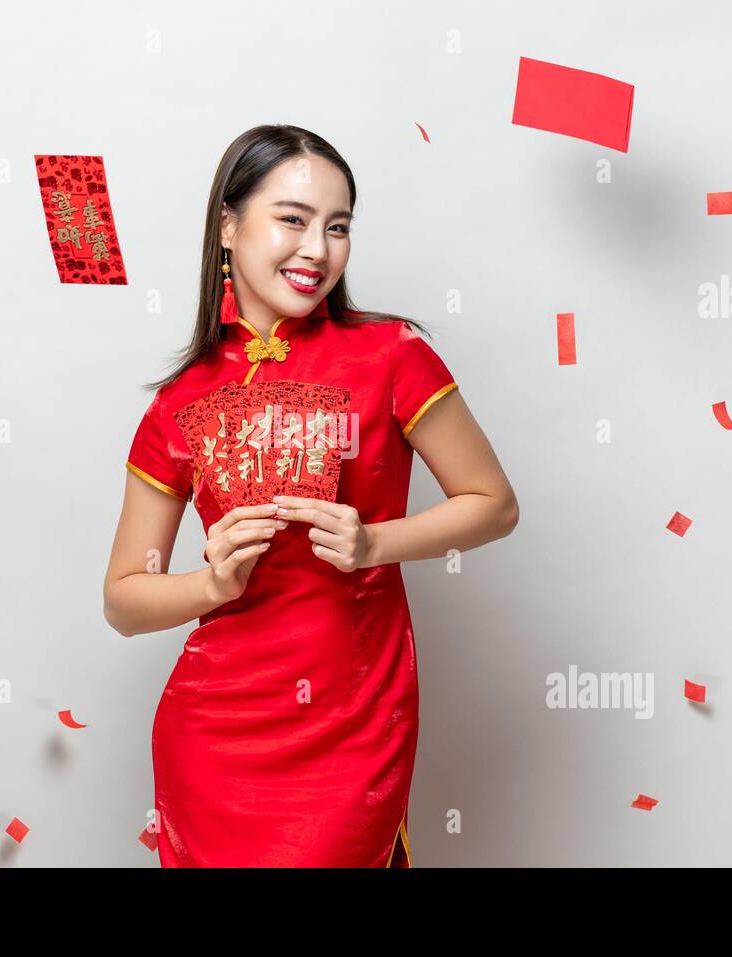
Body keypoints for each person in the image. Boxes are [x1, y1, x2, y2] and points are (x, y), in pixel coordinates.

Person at [103, 124, 518, 866]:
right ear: (228, 226)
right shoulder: (178, 402)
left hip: (350, 725)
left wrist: (373, 545)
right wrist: (212, 582)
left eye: (338, 227)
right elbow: (125, 599)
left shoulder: (393, 355)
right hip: (213, 736)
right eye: (292, 220)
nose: (317, 249)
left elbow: (493, 502)